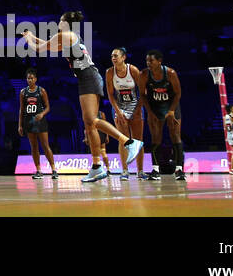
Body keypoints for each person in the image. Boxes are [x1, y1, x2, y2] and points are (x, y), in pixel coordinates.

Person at [23, 13, 142, 183]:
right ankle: (96, 167)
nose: (58, 22)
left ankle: (129, 142)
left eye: (61, 20)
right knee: (89, 124)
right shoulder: (69, 37)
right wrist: (31, 35)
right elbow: (46, 45)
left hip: (88, 77)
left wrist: (28, 39)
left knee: (92, 120)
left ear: (65, 23)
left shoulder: (64, 35)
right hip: (87, 77)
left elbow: (39, 49)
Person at [137, 50, 185, 180]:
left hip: (171, 106)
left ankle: (179, 170)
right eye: (147, 60)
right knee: (156, 138)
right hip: (155, 107)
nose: (148, 63)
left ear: (159, 61)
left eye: (151, 61)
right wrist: (150, 112)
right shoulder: (143, 75)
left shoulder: (170, 73)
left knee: (175, 135)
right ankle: (155, 170)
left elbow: (178, 94)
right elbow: (142, 95)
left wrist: (171, 111)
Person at [106, 48, 146, 179]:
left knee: (138, 140)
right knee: (123, 140)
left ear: (124, 57)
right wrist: (118, 111)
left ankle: (140, 171)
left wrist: (137, 110)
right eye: (112, 56)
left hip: (135, 106)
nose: (113, 58)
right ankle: (125, 171)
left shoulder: (133, 70)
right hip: (119, 107)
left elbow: (143, 93)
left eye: (116, 56)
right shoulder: (109, 72)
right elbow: (110, 95)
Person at [19, 68, 57, 179]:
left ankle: (54, 169)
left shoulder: (41, 91)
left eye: (31, 78)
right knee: (34, 146)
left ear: (35, 79)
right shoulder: (23, 92)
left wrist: (42, 114)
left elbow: (48, 107)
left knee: (45, 145)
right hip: (29, 121)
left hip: (40, 122)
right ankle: (39, 170)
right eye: (28, 78)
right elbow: (21, 109)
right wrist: (20, 125)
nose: (29, 80)